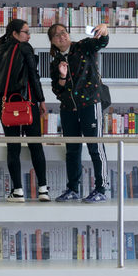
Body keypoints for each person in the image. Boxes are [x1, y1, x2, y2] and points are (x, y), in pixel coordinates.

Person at [48, 22, 111, 202]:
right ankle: (73, 189)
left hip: (90, 104)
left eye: (64, 32)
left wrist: (104, 30)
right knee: (72, 150)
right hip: (68, 109)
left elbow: (101, 42)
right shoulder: (55, 63)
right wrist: (61, 76)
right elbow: (57, 91)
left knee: (95, 146)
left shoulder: (83, 47)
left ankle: (101, 188)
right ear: (53, 41)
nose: (62, 36)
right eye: (56, 35)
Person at [0, 17, 49, 201]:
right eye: (26, 32)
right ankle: (43, 190)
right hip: (27, 104)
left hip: (7, 106)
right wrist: (41, 100)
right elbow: (33, 76)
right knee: (35, 145)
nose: (29, 36)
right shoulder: (24, 48)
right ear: (15, 34)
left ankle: (18, 191)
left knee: (13, 148)